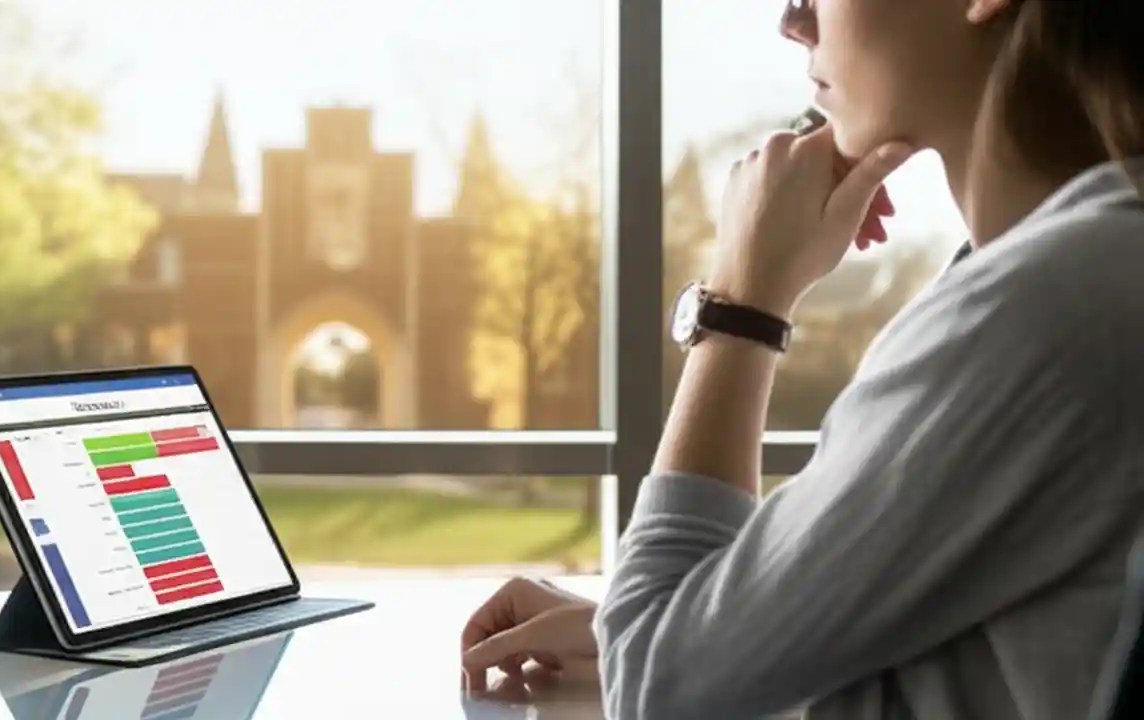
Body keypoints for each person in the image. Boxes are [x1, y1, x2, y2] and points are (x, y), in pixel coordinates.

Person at [461, 0, 1144, 717]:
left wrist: (743, 301)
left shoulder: (1043, 311)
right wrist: (688, 622)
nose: (793, 19)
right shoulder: (1081, 277)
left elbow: (652, 691)